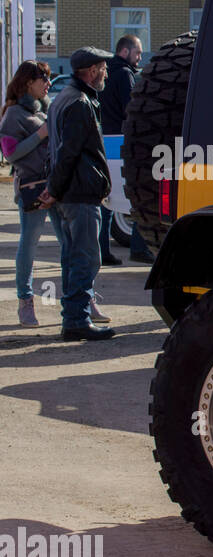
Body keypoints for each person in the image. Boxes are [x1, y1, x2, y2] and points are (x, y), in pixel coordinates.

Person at [46, 46, 117, 341]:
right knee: (86, 259)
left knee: (74, 256)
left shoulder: (64, 98)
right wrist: (55, 189)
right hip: (78, 193)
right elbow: (68, 152)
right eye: (102, 67)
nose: (106, 73)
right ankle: (76, 319)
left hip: (70, 192)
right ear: (90, 71)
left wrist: (54, 190)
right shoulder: (78, 102)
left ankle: (73, 317)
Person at [1, 59, 63, 326]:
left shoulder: (45, 108)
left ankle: (83, 299)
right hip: (33, 189)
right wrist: (41, 134)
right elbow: (10, 153)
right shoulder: (13, 114)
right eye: (44, 79)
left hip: (57, 186)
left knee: (69, 244)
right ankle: (25, 301)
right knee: (29, 244)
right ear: (28, 83)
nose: (49, 84)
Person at [98, 34, 153, 264]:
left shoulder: (105, 73)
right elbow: (132, 110)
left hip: (104, 142)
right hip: (123, 142)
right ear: (125, 51)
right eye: (138, 53)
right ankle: (139, 248)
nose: (140, 57)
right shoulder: (124, 75)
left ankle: (102, 249)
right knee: (137, 196)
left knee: (107, 201)